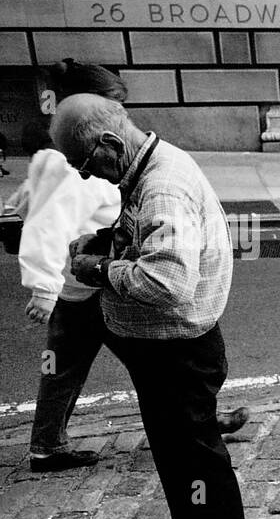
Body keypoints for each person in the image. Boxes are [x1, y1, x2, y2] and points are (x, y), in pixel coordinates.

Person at [52, 93, 261, 519]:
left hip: (179, 350)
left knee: (198, 461)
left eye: (85, 163)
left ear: (110, 144)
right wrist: (107, 240)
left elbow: (169, 281)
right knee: (172, 452)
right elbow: (146, 240)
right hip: (161, 348)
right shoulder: (146, 167)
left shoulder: (161, 185)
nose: (87, 176)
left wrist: (99, 270)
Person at [12, 62, 247, 473]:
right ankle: (48, 445)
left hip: (110, 275)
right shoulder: (65, 154)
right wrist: (46, 288)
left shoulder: (133, 164)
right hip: (83, 285)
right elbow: (37, 217)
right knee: (73, 368)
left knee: (128, 366)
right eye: (114, 104)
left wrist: (107, 239)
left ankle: (191, 423)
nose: (123, 115)